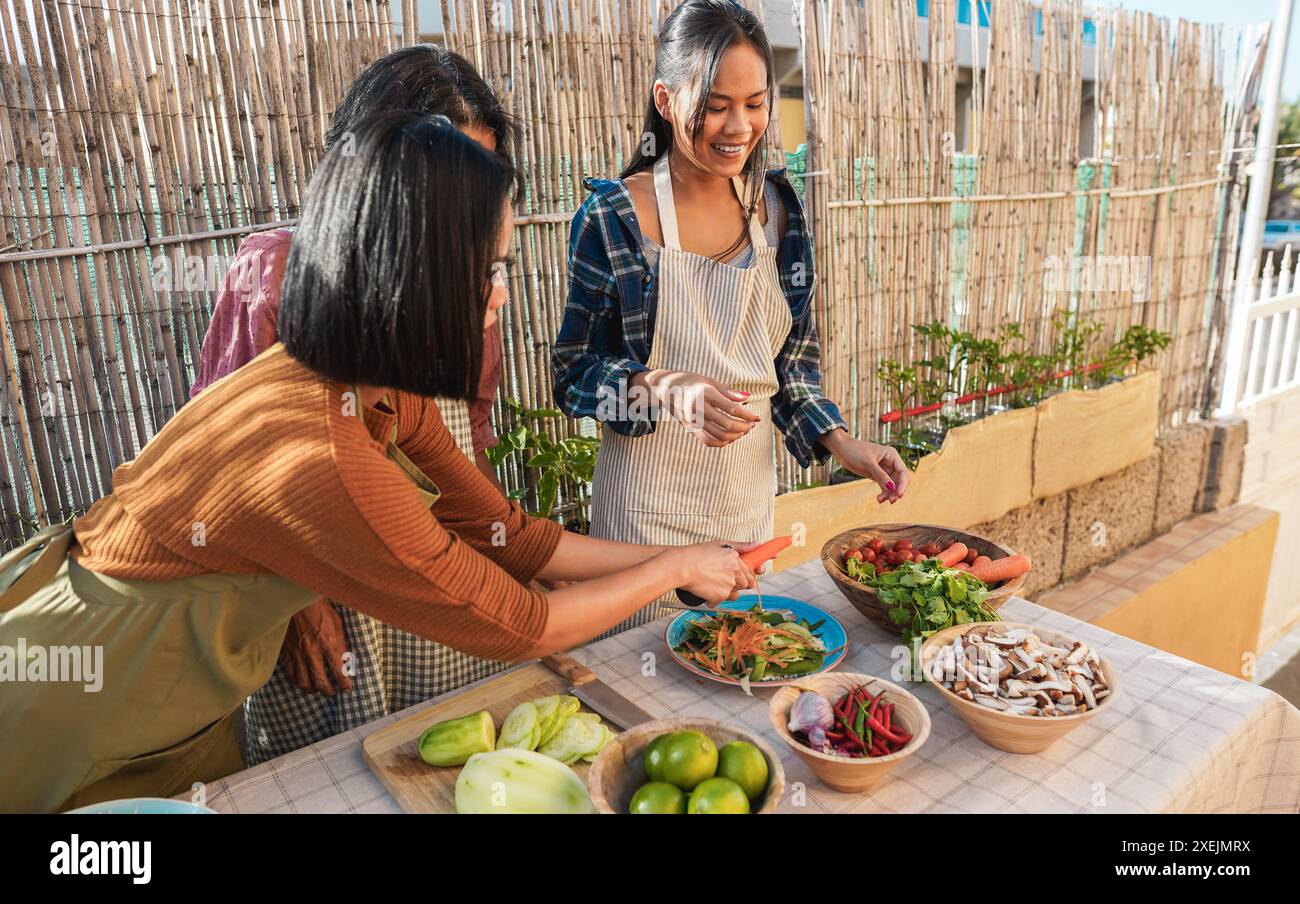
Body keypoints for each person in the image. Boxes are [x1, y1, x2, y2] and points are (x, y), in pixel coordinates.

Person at [0, 112, 755, 813]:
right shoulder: (326, 454)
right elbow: (525, 625)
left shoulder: (381, 387)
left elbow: (510, 536)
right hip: (82, 690)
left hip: (185, 692)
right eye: (486, 270)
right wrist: (668, 570)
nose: (500, 298)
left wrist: (687, 557)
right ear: (409, 272)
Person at [189, 45, 527, 764]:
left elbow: (464, 437)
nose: (457, 210)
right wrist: (300, 609)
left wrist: (500, 553)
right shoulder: (276, 269)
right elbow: (231, 472)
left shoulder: (471, 286)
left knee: (440, 761)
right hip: (319, 576)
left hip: (434, 554)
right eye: (439, 175)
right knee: (341, 769)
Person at [552, 0, 912, 634]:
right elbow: (573, 373)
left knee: (739, 667)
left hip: (743, 513)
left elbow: (790, 365)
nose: (738, 126)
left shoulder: (779, 211)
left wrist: (843, 444)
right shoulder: (615, 219)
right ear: (665, 101)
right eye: (715, 105)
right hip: (643, 525)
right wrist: (662, 389)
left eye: (755, 102)